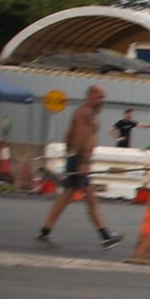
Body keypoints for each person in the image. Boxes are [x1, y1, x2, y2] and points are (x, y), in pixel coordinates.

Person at [38, 85, 120, 249]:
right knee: (89, 199)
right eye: (99, 96)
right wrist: (82, 161)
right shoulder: (85, 113)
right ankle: (105, 236)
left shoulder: (87, 113)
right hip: (80, 160)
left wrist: (71, 155)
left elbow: (69, 135)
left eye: (104, 97)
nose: (103, 100)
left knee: (70, 197)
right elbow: (81, 138)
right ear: (90, 96)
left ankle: (45, 232)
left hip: (78, 158)